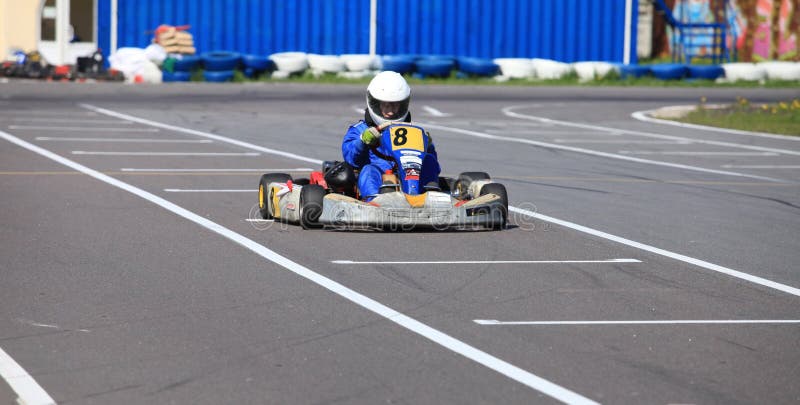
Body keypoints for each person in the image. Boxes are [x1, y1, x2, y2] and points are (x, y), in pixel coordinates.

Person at [342, 71, 440, 200]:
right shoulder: (360, 130)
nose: (390, 111)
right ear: (375, 104)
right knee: (369, 170)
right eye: (386, 105)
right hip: (378, 175)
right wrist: (362, 141)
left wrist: (427, 145)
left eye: (395, 105)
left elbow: (433, 162)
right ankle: (374, 201)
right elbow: (351, 159)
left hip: (409, 174)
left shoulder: (413, 131)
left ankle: (431, 198)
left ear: (403, 105)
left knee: (429, 161)